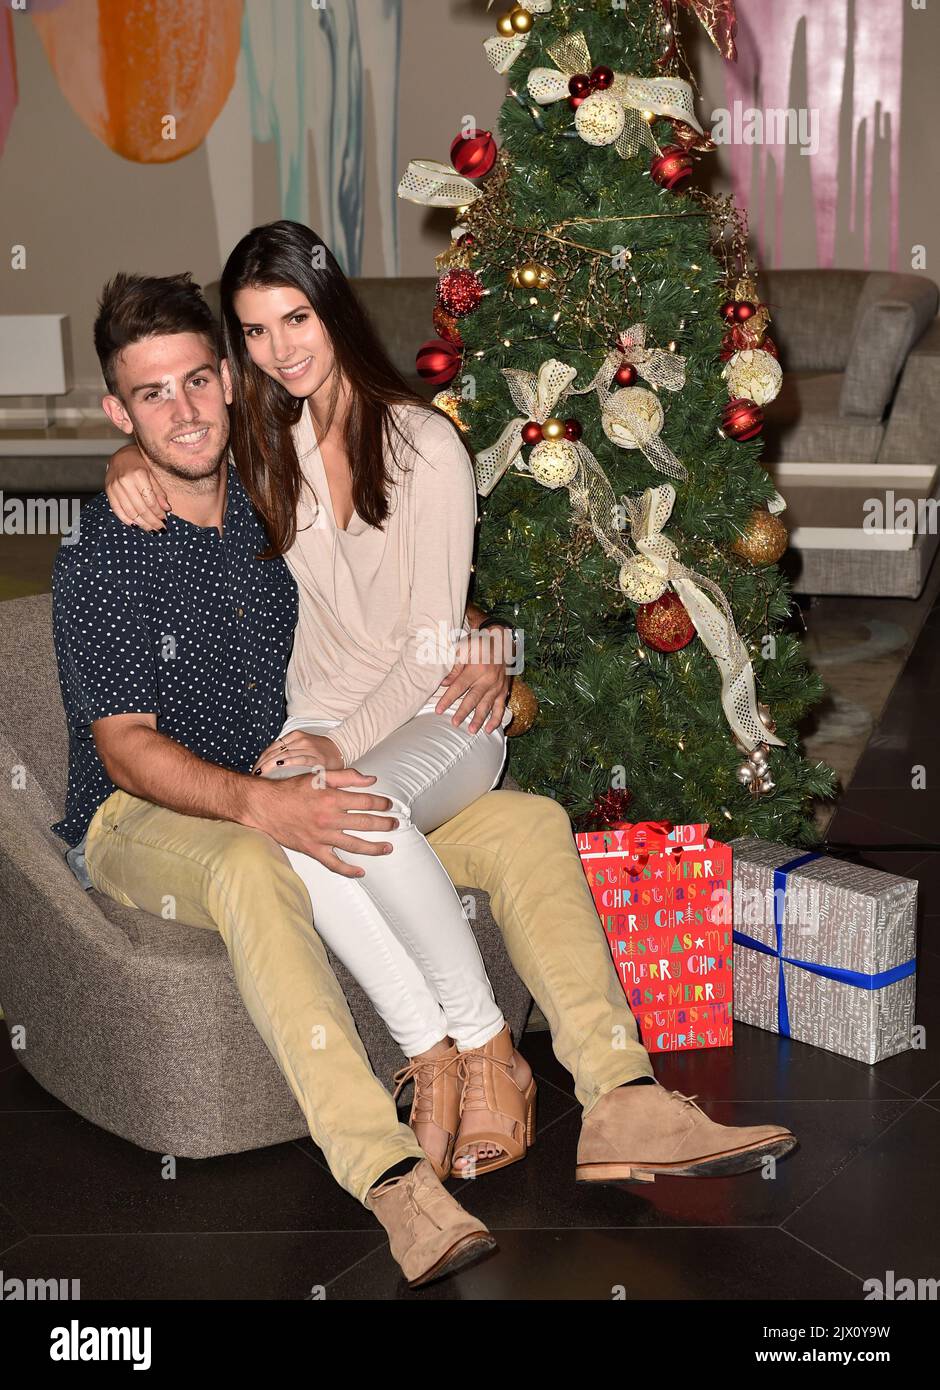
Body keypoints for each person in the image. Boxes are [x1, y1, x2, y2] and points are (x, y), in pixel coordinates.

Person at [51, 261, 797, 1292]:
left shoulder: (271, 495)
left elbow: (385, 622)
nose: (177, 411)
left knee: (526, 820)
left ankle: (623, 1095)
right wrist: (262, 802)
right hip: (149, 814)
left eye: (192, 380)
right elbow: (123, 746)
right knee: (255, 861)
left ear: (227, 378)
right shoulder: (103, 544)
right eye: (148, 394)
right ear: (115, 409)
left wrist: (482, 640)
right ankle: (392, 1169)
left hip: (312, 777)